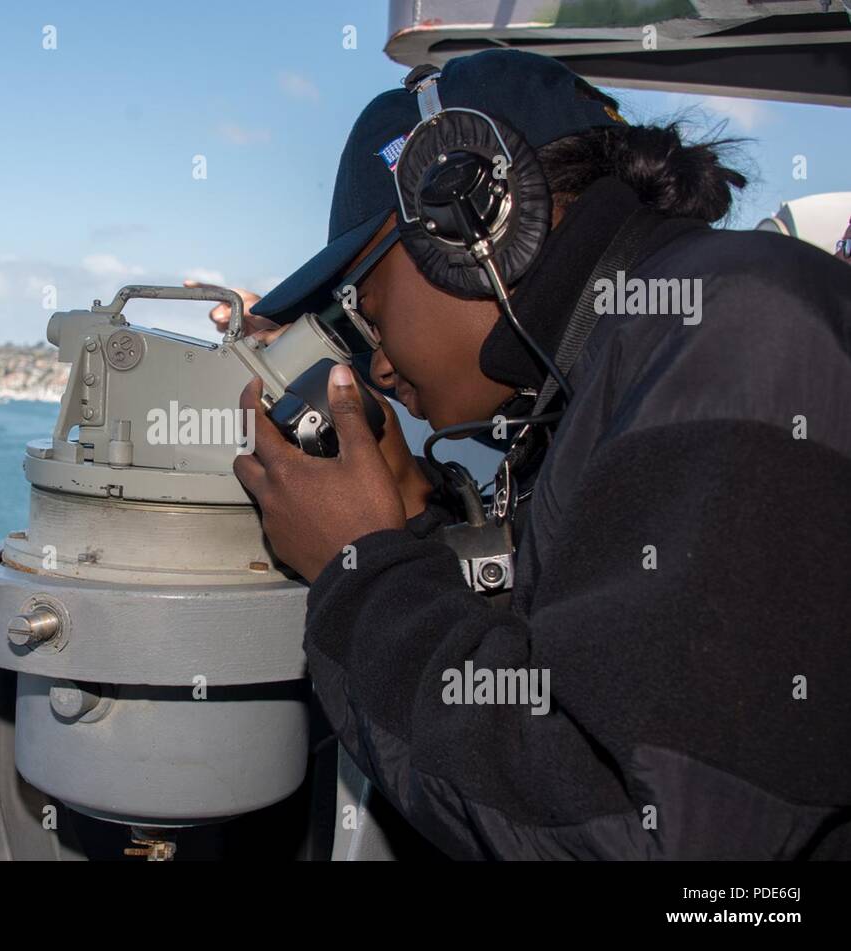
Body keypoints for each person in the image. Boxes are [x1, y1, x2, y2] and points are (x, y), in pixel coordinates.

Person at [232, 49, 851, 859]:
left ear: (475, 220)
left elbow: (652, 840)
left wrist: (362, 569)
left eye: (367, 306)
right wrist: (416, 517)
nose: (377, 362)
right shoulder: (636, 354)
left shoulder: (736, 329)